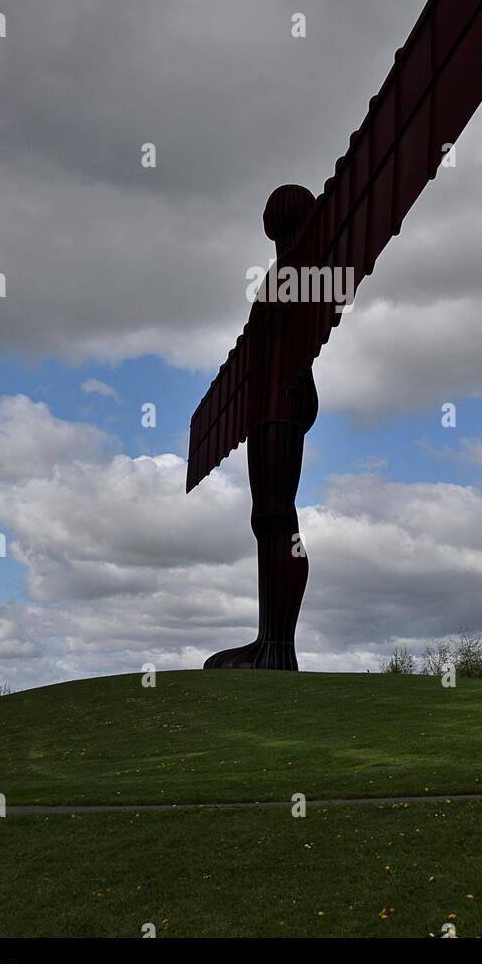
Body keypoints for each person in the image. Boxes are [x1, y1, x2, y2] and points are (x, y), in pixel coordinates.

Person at [204, 185, 318, 670]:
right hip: (269, 411)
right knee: (267, 519)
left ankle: (277, 647)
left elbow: (301, 343)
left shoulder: (298, 272)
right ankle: (269, 641)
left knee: (276, 517)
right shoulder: (283, 276)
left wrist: (297, 393)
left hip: (278, 411)